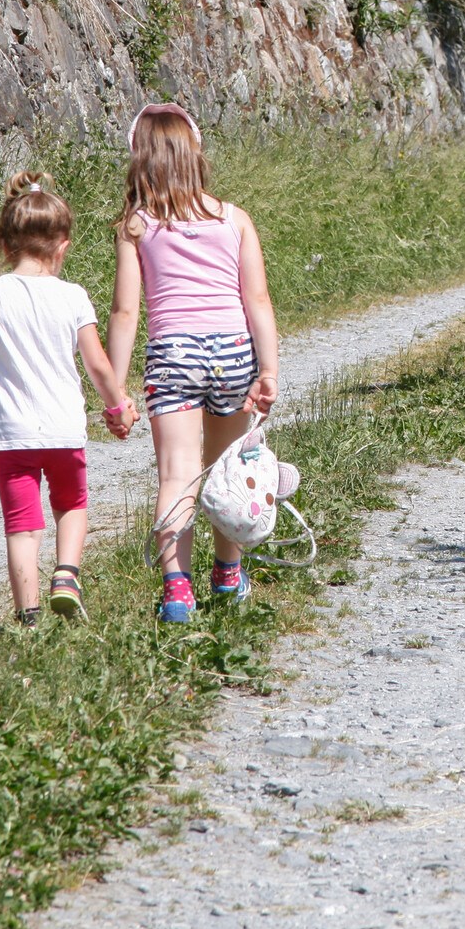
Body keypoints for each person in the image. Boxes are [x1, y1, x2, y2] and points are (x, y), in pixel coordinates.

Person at [106, 104, 279, 624]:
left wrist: (115, 390)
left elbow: (125, 311)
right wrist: (267, 371)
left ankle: (178, 592)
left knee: (177, 474)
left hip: (173, 356)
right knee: (228, 469)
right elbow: (258, 299)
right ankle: (228, 574)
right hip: (232, 352)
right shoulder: (234, 219)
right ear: (196, 153)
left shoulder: (136, 227)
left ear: (139, 160)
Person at [0, 173, 135, 627]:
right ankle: (66, 575)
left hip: (11, 433)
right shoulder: (73, 296)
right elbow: (98, 366)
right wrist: (118, 407)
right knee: (71, 504)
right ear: (62, 246)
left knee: (21, 525)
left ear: (4, 244)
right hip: (63, 429)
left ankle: (28, 618)